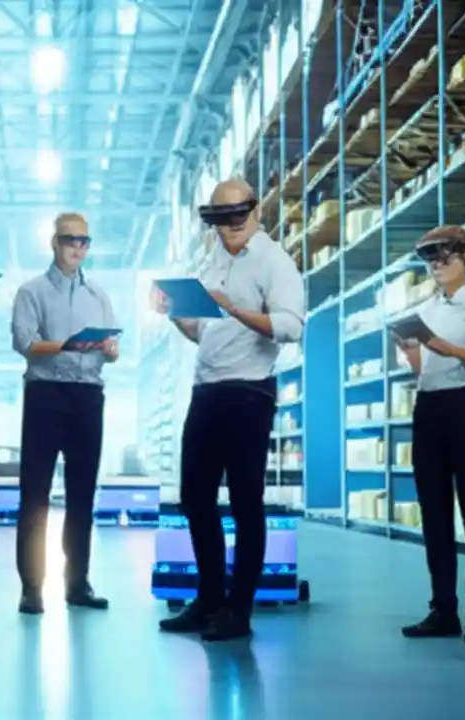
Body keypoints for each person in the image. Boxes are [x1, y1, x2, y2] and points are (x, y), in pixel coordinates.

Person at [154, 179, 305, 641]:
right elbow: (203, 333)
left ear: (255, 212)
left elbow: (289, 327)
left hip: (248, 393)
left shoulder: (275, 262)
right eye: (220, 220)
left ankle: (238, 612)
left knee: (245, 503)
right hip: (208, 391)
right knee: (195, 499)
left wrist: (234, 307)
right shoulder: (214, 260)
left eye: (237, 217)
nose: (229, 227)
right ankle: (209, 599)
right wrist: (175, 314)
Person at [392, 225, 465, 646]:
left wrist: (444, 346)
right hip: (430, 408)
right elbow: (425, 371)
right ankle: (443, 608)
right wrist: (412, 350)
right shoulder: (429, 308)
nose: (436, 266)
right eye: (431, 260)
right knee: (434, 516)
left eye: (445, 258)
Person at [10, 212, 118, 615]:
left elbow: (111, 348)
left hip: (88, 397)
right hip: (45, 395)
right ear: (54, 243)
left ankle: (78, 583)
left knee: (82, 496)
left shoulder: (99, 297)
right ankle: (31, 588)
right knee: (34, 494)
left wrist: (108, 351)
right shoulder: (31, 291)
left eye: (84, 241)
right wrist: (68, 346)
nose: (78, 247)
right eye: (70, 239)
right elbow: (25, 343)